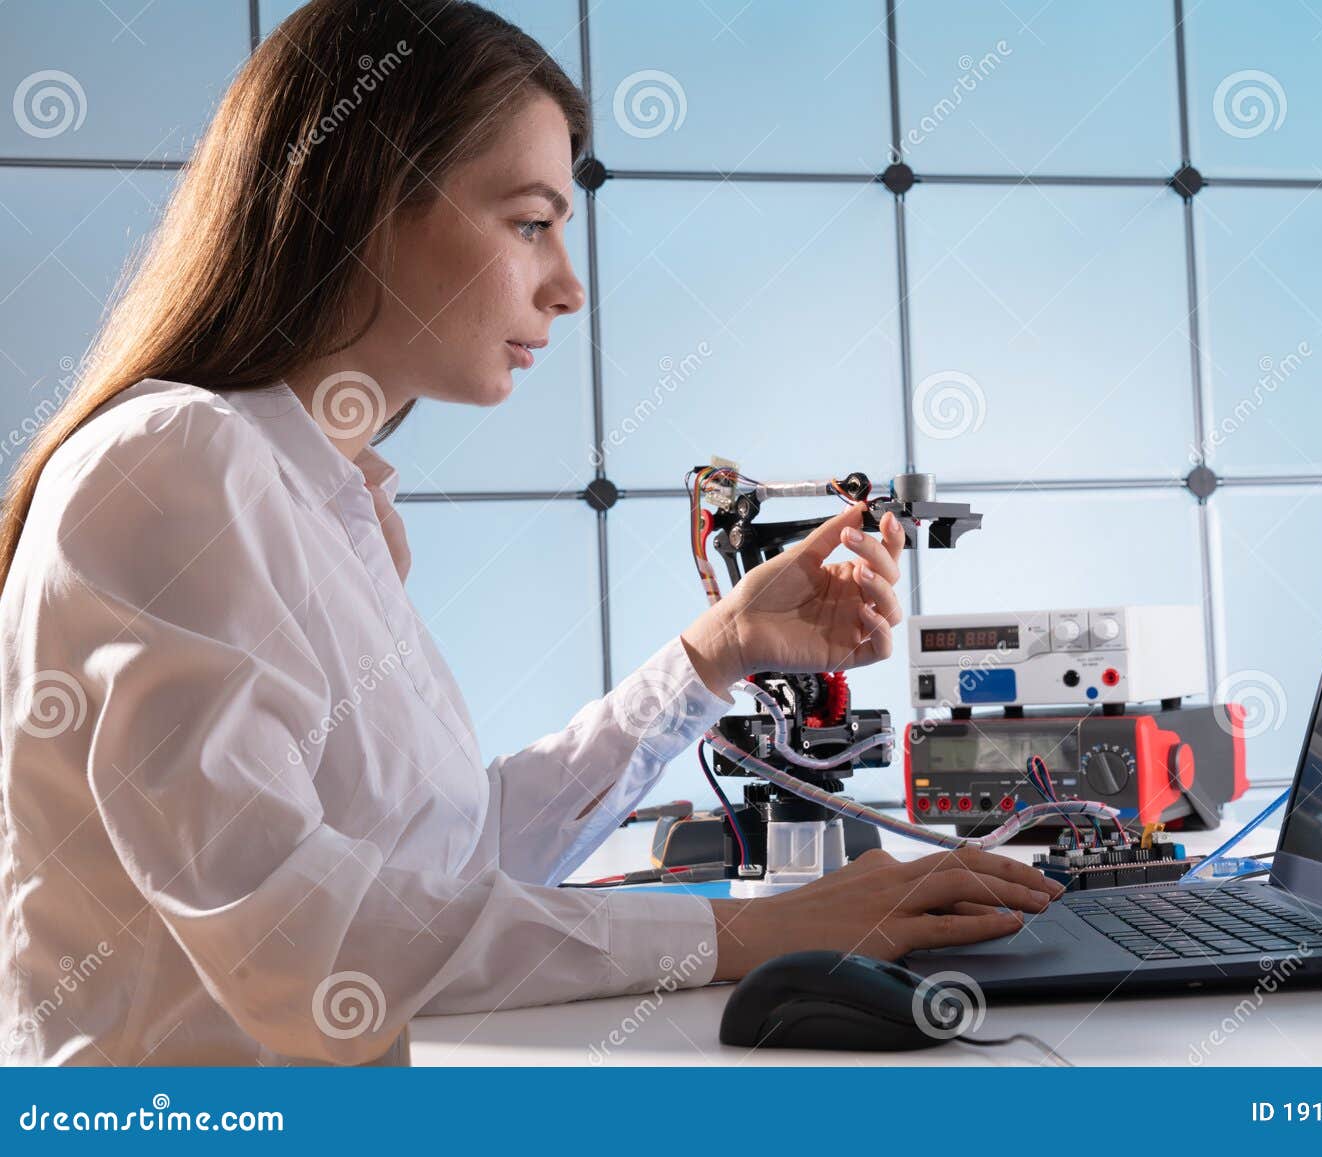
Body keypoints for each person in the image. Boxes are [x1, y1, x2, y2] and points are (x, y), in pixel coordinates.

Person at [0, 0, 1062, 1066]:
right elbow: (299, 936)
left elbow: (452, 868)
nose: (568, 284)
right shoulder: (172, 460)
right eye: (528, 222)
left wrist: (713, 654)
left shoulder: (327, 498)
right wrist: (758, 932)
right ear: (367, 198)